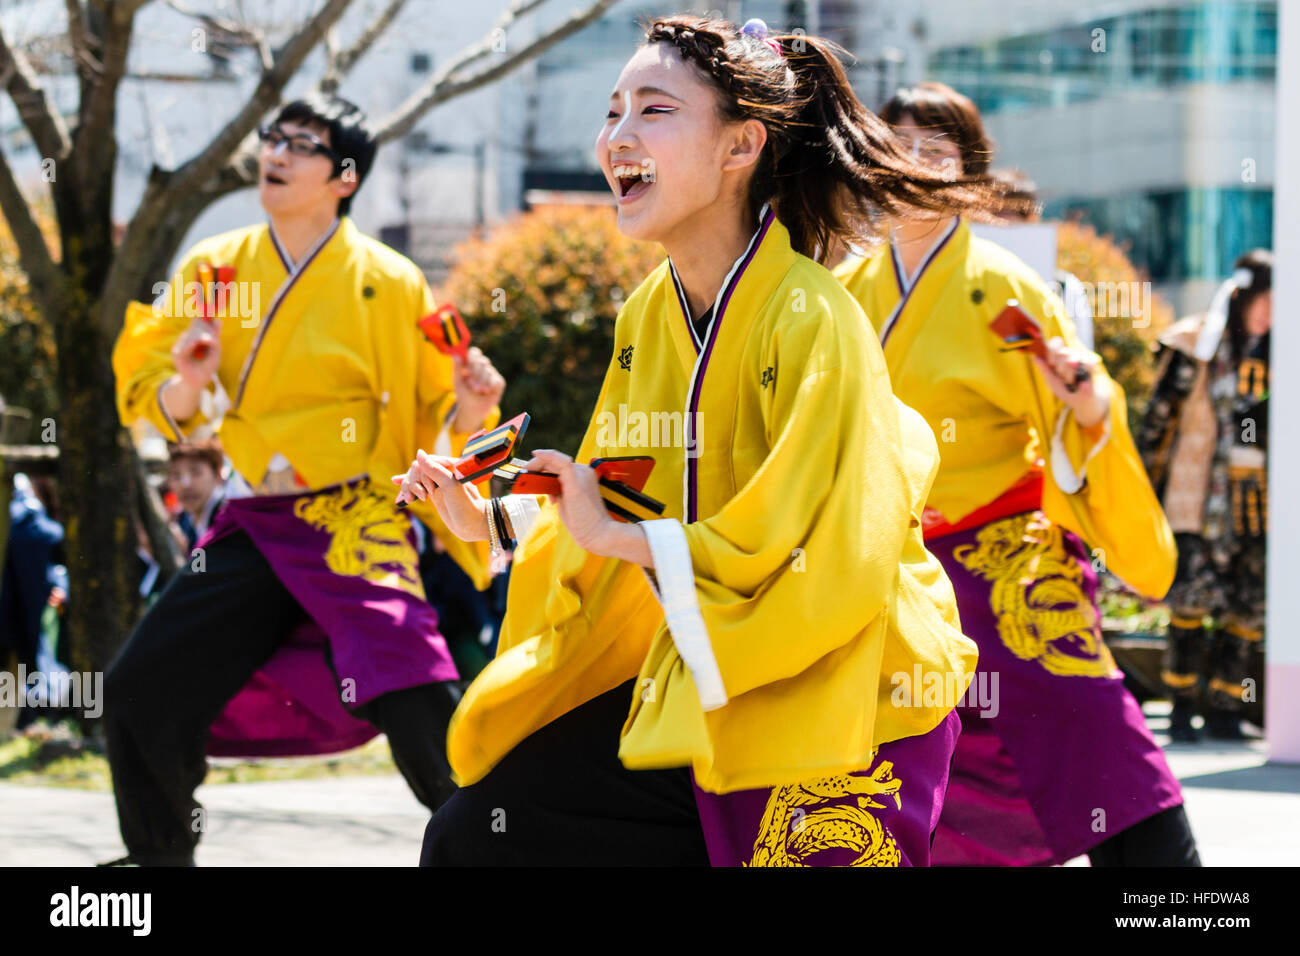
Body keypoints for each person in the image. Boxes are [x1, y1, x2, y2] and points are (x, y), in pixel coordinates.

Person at [404, 15, 1031, 867]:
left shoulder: (814, 316)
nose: (616, 137)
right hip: (713, 674)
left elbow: (827, 533)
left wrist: (625, 536)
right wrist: (496, 520)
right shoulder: (648, 315)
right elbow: (619, 488)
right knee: (479, 833)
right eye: (613, 110)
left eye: (653, 111)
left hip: (840, 690)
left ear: (742, 146)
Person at [106, 94, 505, 866]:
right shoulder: (214, 266)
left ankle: (488, 851)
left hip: (355, 514)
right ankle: (157, 861)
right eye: (272, 139)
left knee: (414, 688)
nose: (276, 155)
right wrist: (189, 379)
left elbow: (439, 409)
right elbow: (158, 397)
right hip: (254, 516)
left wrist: (474, 404)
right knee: (138, 689)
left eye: (302, 144)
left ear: (344, 177)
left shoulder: (392, 280)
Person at [835, 81, 1199, 866]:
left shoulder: (1005, 284)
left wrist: (1090, 402)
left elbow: (1073, 401)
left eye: (938, 152)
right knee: (914, 743)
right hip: (897, 569)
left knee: (1087, 716)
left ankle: (1173, 888)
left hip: (1004, 551)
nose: (916, 167)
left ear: (968, 171)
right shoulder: (846, 294)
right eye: (899, 146)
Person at [1138, 250, 1271, 741]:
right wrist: (1144, 489)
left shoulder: (1282, 350)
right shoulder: (1195, 342)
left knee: (1247, 608)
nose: (1269, 313)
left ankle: (1228, 710)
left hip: (1258, 502)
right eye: (1263, 300)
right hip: (1194, 495)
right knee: (1190, 601)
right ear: (1242, 296)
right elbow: (1157, 421)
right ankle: (1179, 708)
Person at [166, 438, 226, 552]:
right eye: (176, 475)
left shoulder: (228, 524)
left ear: (218, 474)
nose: (185, 484)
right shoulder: (185, 524)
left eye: (196, 472)